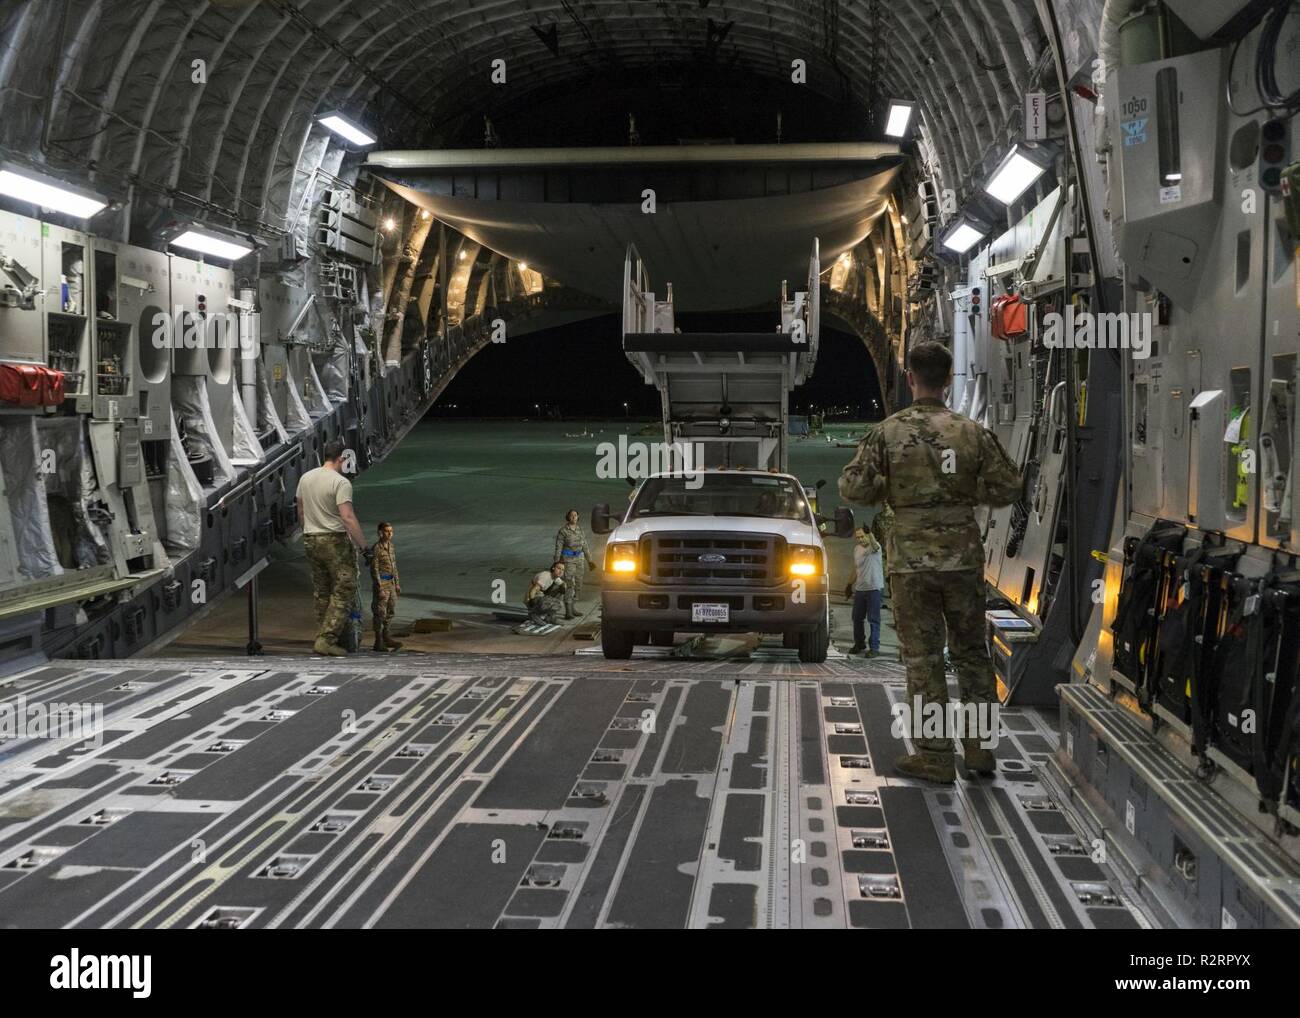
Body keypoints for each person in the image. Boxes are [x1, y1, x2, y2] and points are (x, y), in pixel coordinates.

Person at [838, 342, 1022, 784]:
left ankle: (936, 756)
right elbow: (1008, 488)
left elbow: (852, 489)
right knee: (973, 655)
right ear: (949, 377)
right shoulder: (970, 432)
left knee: (923, 659)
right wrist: (964, 495)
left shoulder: (888, 432)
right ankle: (979, 751)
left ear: (910, 377)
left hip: (911, 564)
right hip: (962, 559)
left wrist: (892, 488)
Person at [295, 440, 369, 657]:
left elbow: (300, 511)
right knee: (345, 587)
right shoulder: (340, 482)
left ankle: (322, 635)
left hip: (311, 538)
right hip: (334, 540)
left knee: (322, 590)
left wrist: (309, 530)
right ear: (342, 459)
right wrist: (364, 546)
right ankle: (327, 639)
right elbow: (347, 517)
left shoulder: (305, 478)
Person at [844, 528, 884, 656]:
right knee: (857, 618)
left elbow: (876, 546)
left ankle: (874, 648)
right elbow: (856, 569)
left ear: (868, 535)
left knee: (873, 619)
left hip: (874, 589)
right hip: (860, 589)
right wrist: (849, 585)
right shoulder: (857, 549)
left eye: (862, 536)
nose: (860, 539)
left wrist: (871, 534)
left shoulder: (874, 547)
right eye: (858, 537)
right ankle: (859, 643)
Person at [553, 509, 595, 619]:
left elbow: (585, 545)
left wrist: (589, 560)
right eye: (571, 516)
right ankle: (568, 611)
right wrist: (557, 561)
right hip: (568, 560)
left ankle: (573, 607)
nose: (573, 518)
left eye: (575, 516)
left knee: (578, 583)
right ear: (568, 517)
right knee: (569, 584)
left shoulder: (580, 529)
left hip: (579, 559)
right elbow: (559, 547)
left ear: (578, 517)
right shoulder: (563, 531)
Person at [370, 521, 401, 652]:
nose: (390, 534)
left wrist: (397, 583)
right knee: (380, 613)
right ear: (380, 533)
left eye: (391, 531)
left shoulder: (391, 547)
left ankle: (386, 636)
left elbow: (394, 566)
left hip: (391, 584)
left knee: (391, 610)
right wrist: (379, 587)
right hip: (382, 584)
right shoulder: (377, 548)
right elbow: (374, 569)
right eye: (387, 531)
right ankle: (378, 640)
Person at [525, 561, 567, 625]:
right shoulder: (545, 576)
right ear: (553, 568)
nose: (561, 571)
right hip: (532, 597)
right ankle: (534, 614)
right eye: (558, 568)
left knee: (560, 594)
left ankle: (551, 617)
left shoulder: (555, 577)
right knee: (556, 603)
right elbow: (533, 590)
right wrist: (532, 602)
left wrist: (563, 587)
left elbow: (562, 583)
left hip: (540, 596)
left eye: (562, 570)